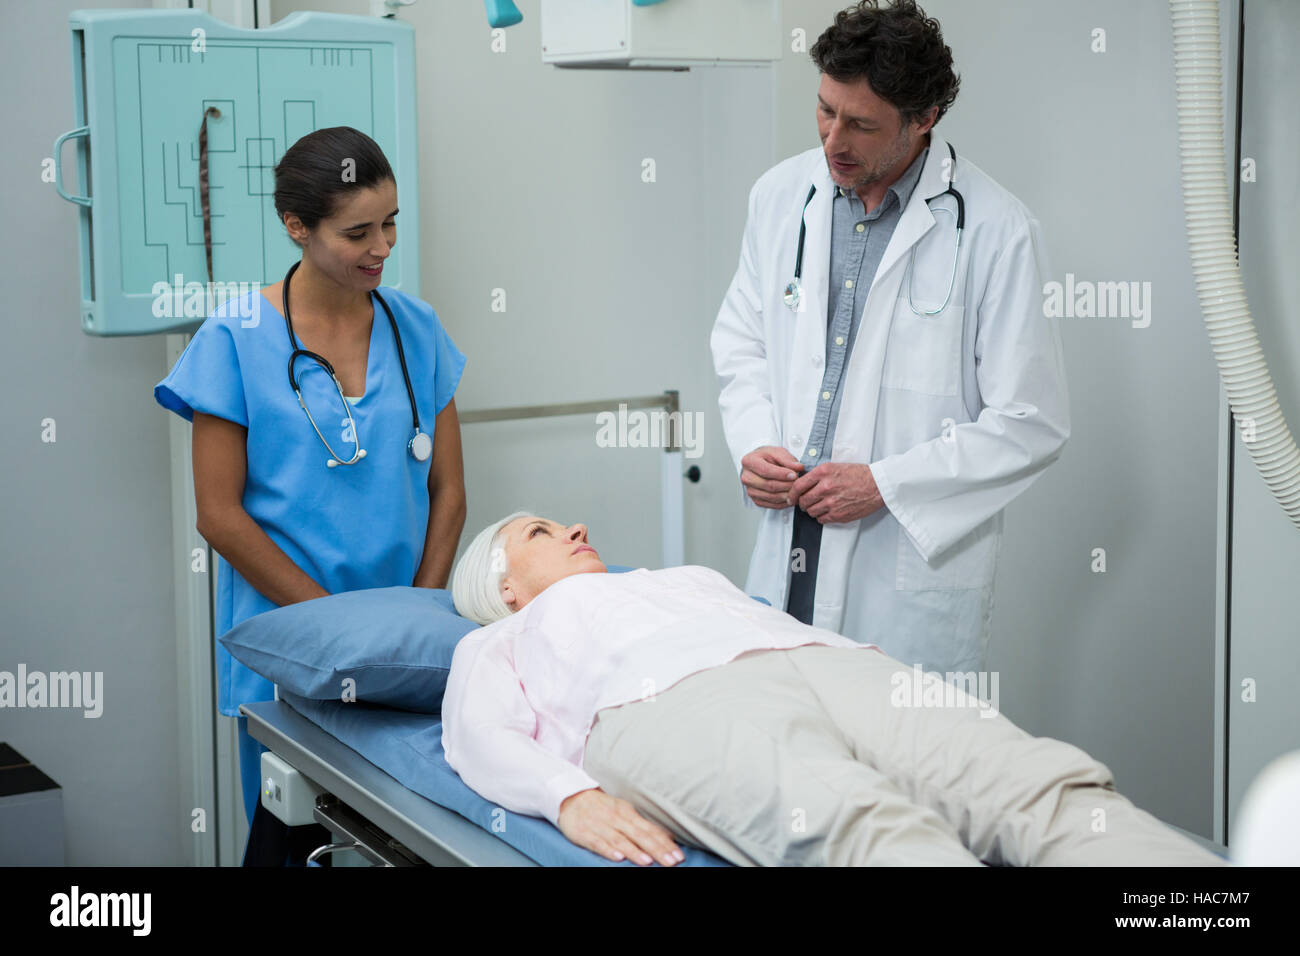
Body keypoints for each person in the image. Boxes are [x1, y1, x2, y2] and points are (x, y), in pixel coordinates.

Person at [443, 512, 1225, 867]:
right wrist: (568, 798)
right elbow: (478, 736)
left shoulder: (678, 576)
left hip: (825, 660)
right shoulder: (501, 640)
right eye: (540, 534)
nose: (575, 529)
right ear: (504, 588)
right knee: (867, 831)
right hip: (665, 704)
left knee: (1036, 786)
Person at [710, 0, 1070, 676]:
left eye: (861, 124)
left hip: (899, 567)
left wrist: (886, 484)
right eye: (824, 110)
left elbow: (1032, 421)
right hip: (789, 543)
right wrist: (752, 441)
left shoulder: (996, 231)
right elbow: (740, 340)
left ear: (923, 119)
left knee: (899, 766)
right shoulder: (781, 196)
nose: (833, 142)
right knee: (784, 751)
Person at [155, 126, 467, 865]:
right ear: (296, 227)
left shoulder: (415, 328)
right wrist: (337, 632)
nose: (381, 247)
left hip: (404, 659)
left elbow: (449, 491)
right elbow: (219, 516)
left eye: (391, 223)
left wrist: (408, 628)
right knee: (296, 842)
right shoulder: (235, 336)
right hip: (287, 652)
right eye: (356, 232)